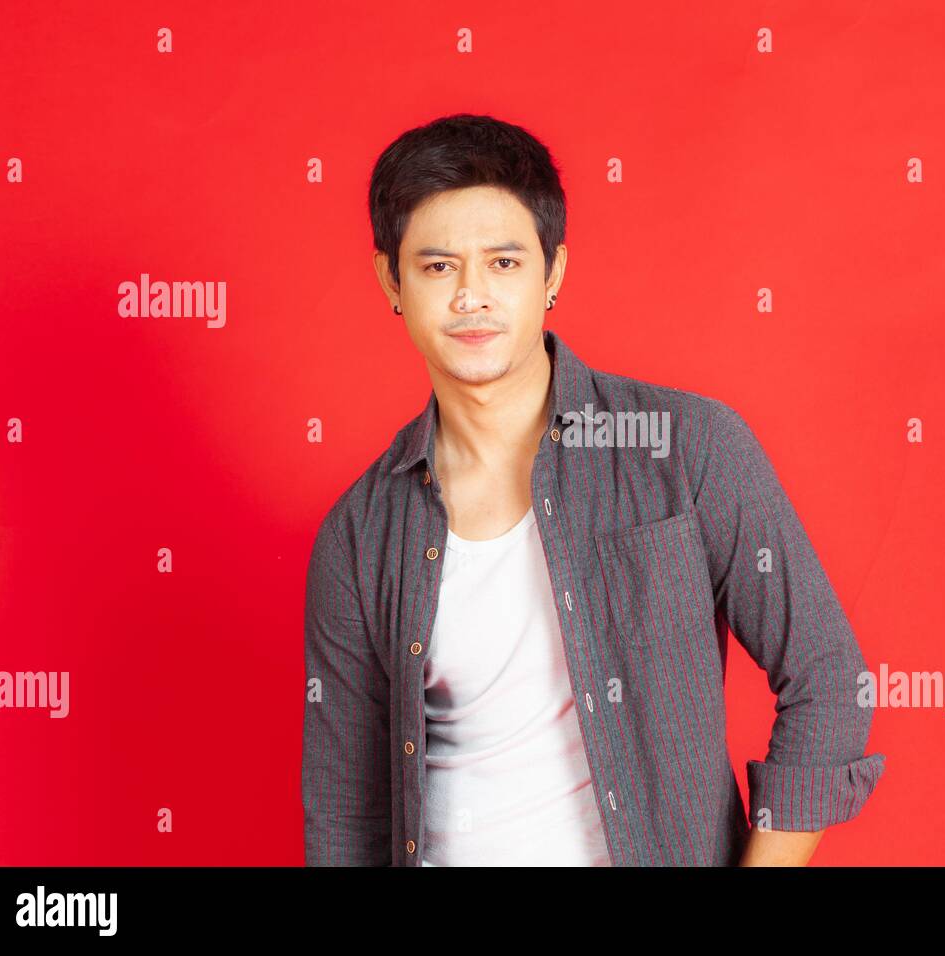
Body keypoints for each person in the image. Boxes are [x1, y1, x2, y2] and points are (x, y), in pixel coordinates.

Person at [302, 112, 885, 866]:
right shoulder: (360, 534)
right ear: (393, 280)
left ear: (554, 274)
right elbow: (347, 815)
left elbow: (830, 681)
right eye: (439, 266)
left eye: (505, 263)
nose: (471, 296)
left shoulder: (688, 448)